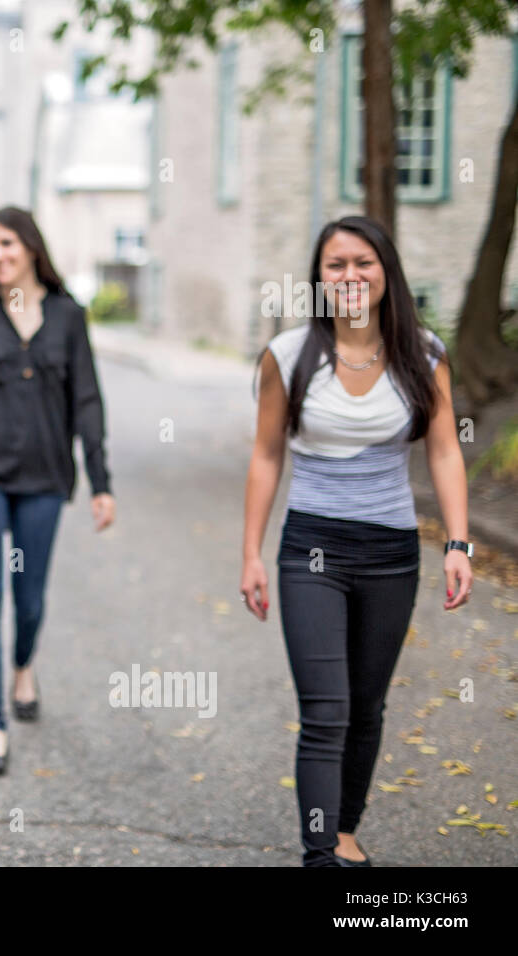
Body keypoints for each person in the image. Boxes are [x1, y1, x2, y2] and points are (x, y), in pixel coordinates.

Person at [241, 215, 472, 867]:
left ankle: (345, 829)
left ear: (385, 272)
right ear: (319, 277)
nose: (349, 276)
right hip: (310, 551)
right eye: (335, 264)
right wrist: (251, 554)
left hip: (393, 553)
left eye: (363, 262)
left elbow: (446, 449)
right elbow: (265, 457)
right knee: (327, 709)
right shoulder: (287, 357)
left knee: (367, 706)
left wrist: (459, 543)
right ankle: (320, 854)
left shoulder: (423, 353)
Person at [0, 207, 115, 774]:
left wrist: (100, 480)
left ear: (31, 247)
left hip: (44, 474)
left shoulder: (68, 316)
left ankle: (24, 666)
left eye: (7, 243)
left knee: (32, 596)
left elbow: (86, 399)